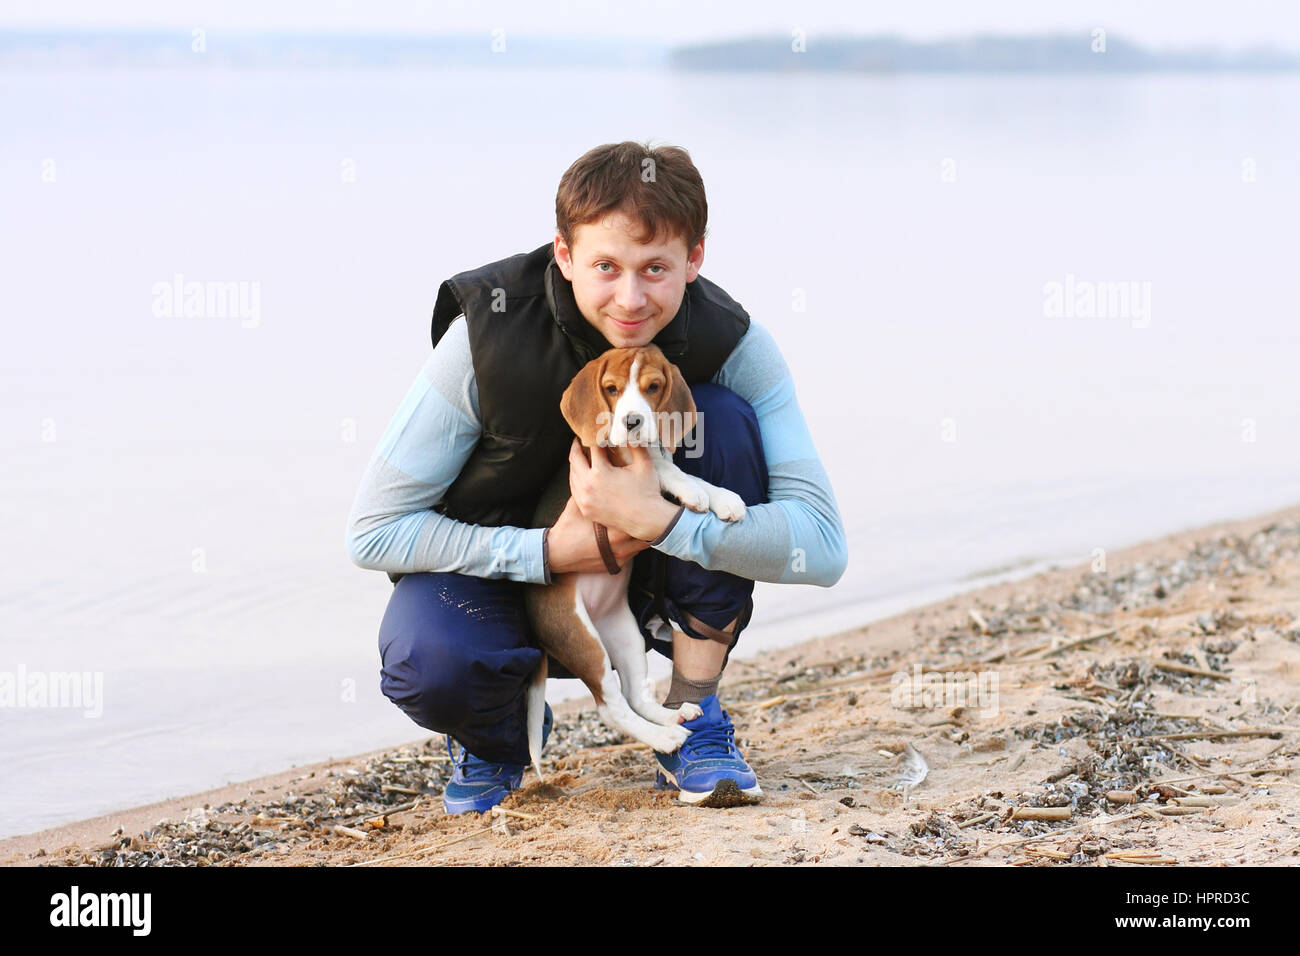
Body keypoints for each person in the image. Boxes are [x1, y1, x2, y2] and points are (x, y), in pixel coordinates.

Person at [346, 140, 847, 812]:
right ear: (564, 254)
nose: (631, 298)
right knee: (430, 663)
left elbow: (821, 547)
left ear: (694, 259)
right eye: (605, 266)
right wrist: (549, 552)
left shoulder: (735, 346)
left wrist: (663, 522)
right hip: (490, 575)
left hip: (645, 572)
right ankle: (495, 734)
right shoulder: (484, 340)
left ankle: (694, 716)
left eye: (656, 268)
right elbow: (373, 533)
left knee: (720, 420)